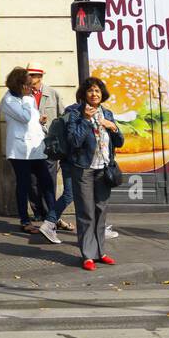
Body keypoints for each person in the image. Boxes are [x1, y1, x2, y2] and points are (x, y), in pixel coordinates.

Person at [64, 77, 123, 270]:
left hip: (104, 168)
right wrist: (87, 120)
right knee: (86, 212)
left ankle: (101, 252)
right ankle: (88, 255)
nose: (94, 94)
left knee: (101, 210)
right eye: (90, 91)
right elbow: (74, 141)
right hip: (83, 168)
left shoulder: (107, 113)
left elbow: (120, 141)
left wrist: (112, 127)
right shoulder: (74, 113)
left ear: (102, 94)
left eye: (97, 91)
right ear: (84, 94)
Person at [0, 67, 55, 236]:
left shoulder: (28, 98)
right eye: (28, 85)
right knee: (23, 184)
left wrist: (40, 121)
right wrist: (26, 99)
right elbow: (23, 117)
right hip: (20, 150)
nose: (32, 88)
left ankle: (53, 217)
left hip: (36, 147)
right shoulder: (8, 100)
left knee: (46, 181)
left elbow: (31, 119)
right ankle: (25, 220)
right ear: (20, 85)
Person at [26, 64, 75, 243]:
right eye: (29, 75)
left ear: (40, 77)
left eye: (34, 75)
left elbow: (63, 116)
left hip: (49, 144)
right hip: (31, 143)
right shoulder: (24, 95)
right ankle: (38, 211)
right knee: (32, 179)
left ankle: (50, 214)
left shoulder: (52, 94)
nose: (31, 78)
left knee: (49, 178)